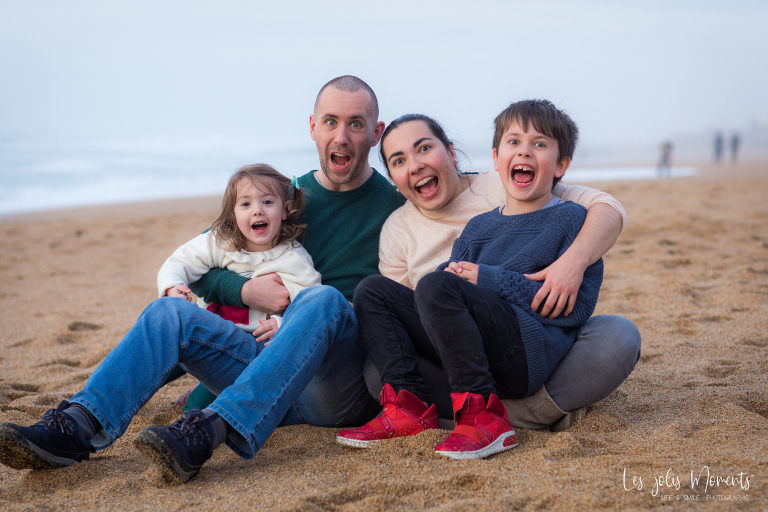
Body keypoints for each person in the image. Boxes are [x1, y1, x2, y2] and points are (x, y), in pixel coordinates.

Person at [0, 75, 402, 483]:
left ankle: (209, 429)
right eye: (331, 121)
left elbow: (404, 306)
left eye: (356, 123)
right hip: (263, 373)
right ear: (312, 126)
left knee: (323, 301)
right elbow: (209, 266)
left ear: (376, 133)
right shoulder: (279, 197)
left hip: (331, 387)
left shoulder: (398, 208)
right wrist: (244, 290)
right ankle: (77, 426)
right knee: (168, 312)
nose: (342, 136)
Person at [337, 107, 640, 456]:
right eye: (514, 142)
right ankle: (410, 410)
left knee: (437, 286)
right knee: (372, 292)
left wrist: (488, 278)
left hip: (525, 351)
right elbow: (445, 282)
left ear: (560, 166)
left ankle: (483, 417)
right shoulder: (478, 226)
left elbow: (575, 310)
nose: (524, 152)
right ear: (497, 158)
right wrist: (448, 283)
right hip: (467, 349)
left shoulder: (569, 219)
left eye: (539, 145)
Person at [158, 164, 320, 336]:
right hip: (206, 334)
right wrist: (172, 287)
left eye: (267, 202)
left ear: (285, 210)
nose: (257, 210)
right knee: (161, 319)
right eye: (245, 204)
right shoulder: (220, 243)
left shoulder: (293, 259)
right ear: (233, 214)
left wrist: (280, 323)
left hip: (255, 343)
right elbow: (180, 261)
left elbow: (312, 306)